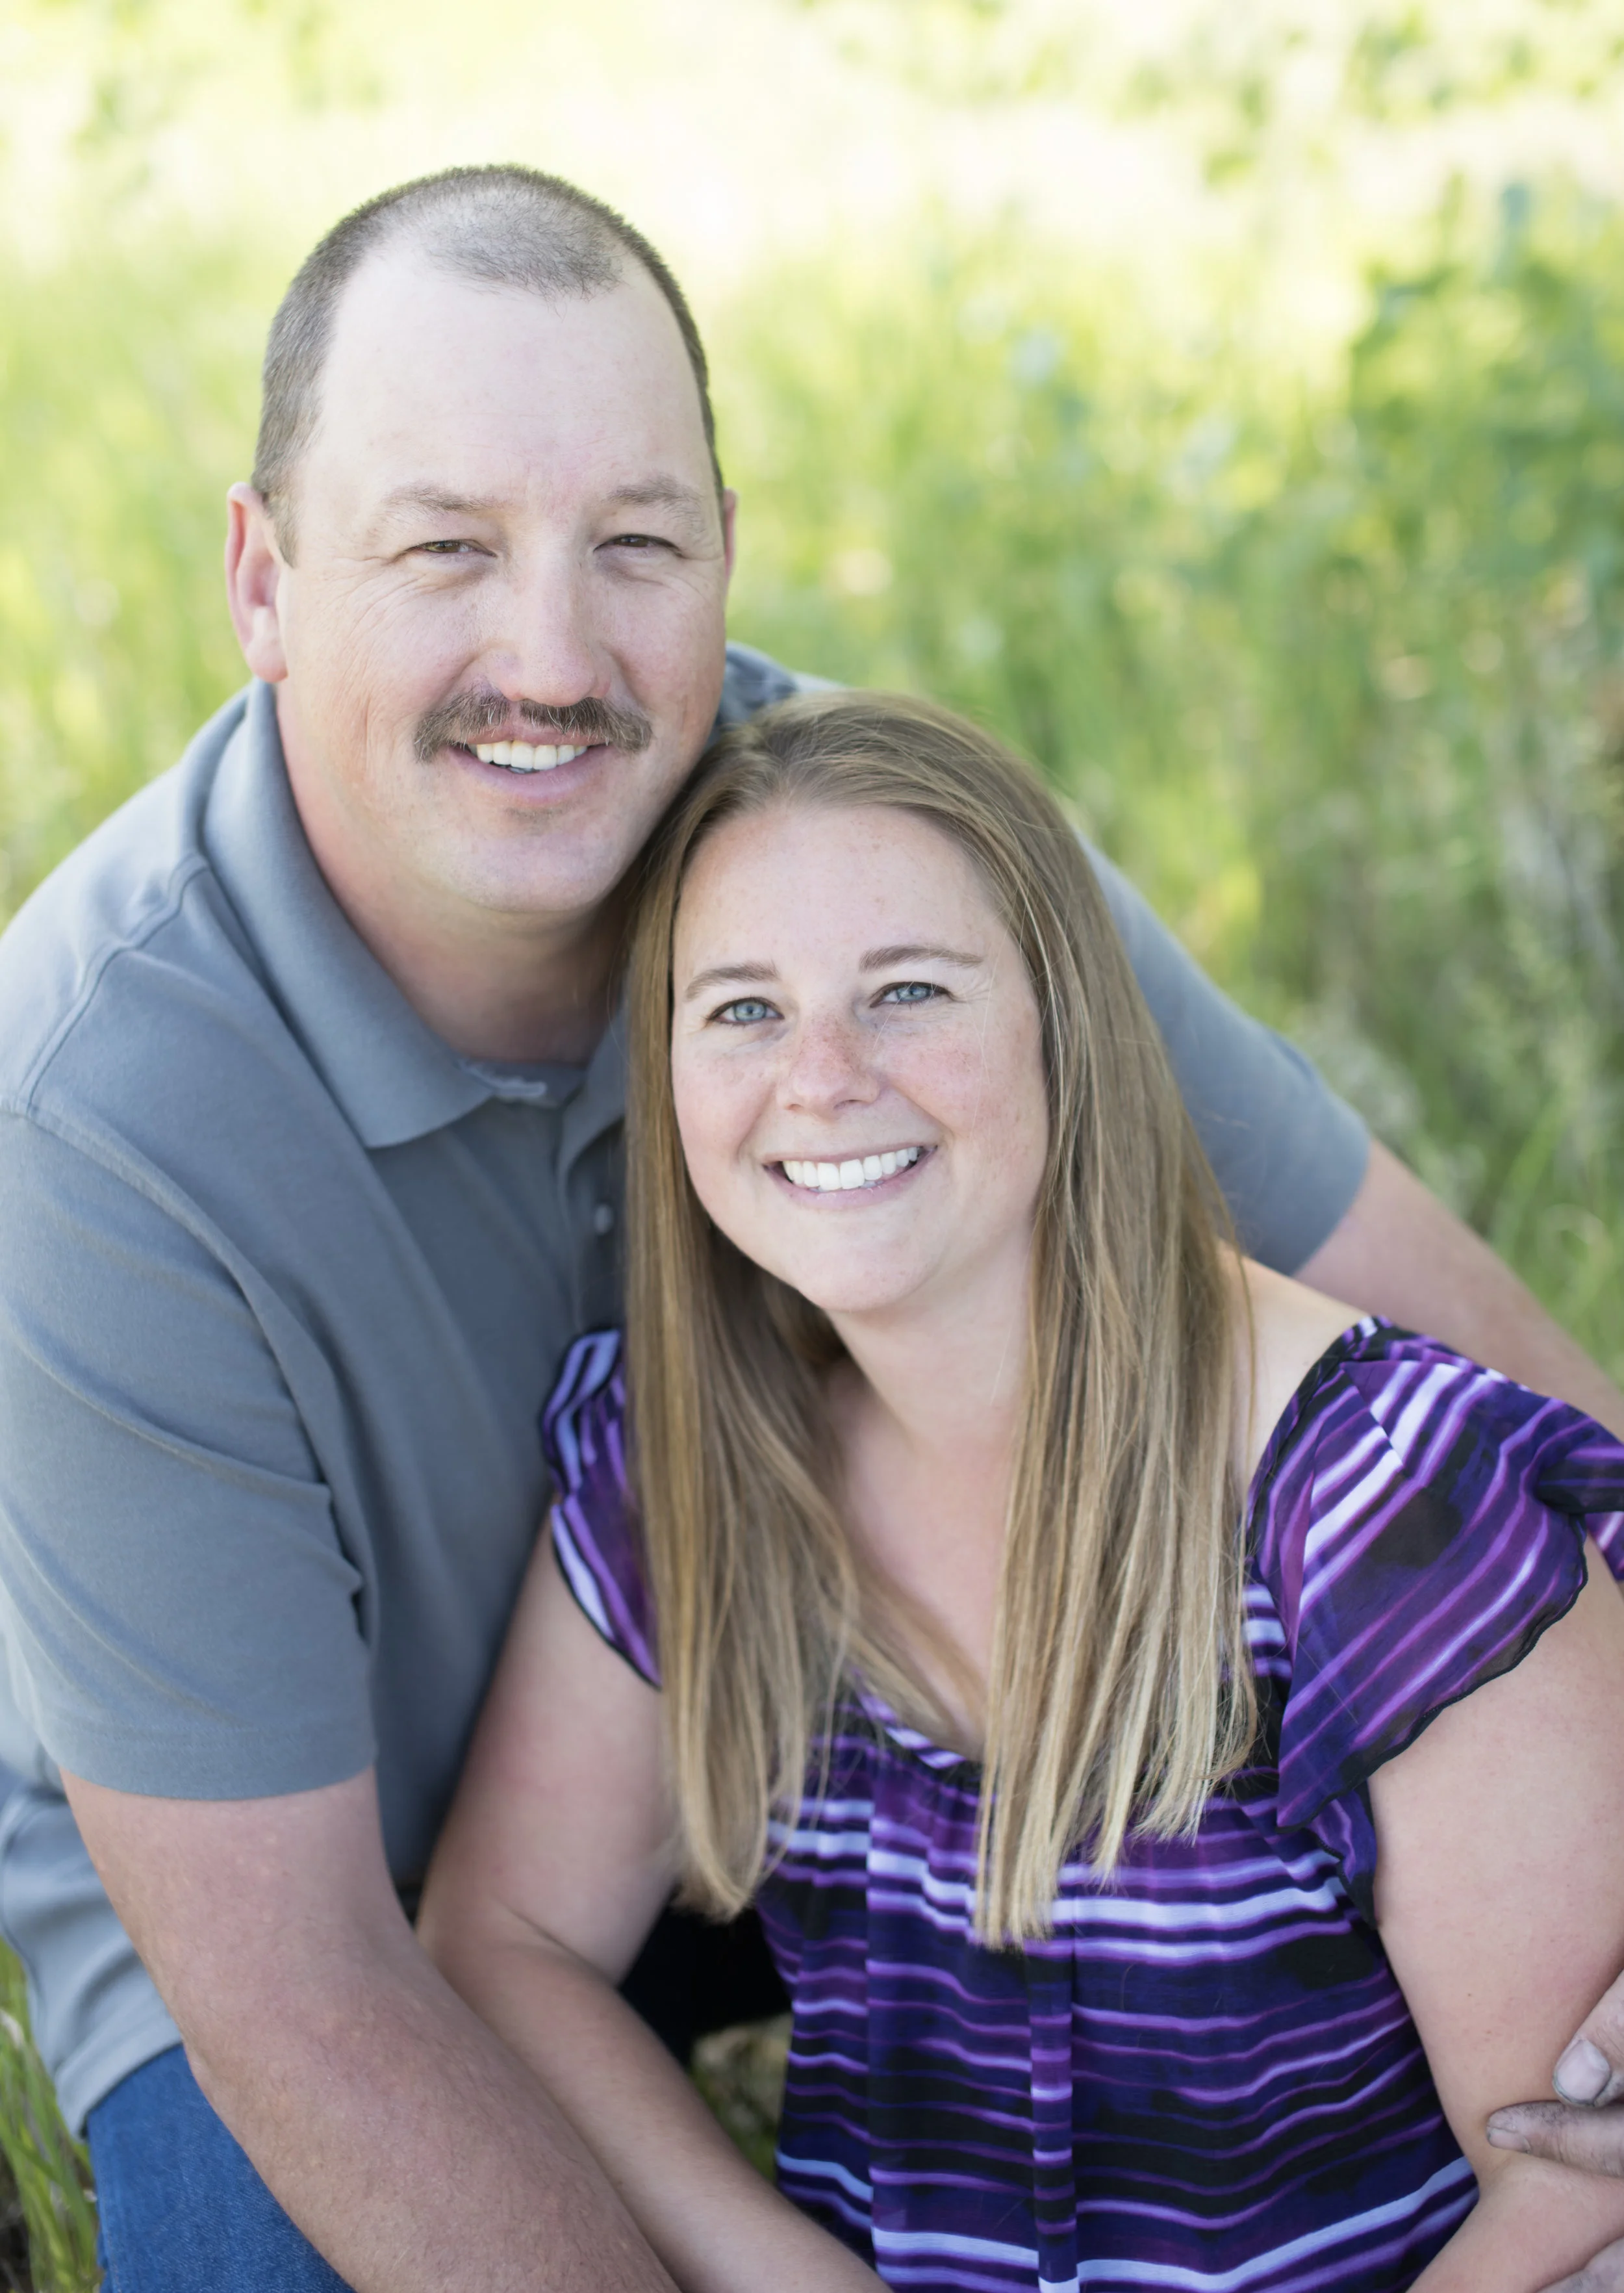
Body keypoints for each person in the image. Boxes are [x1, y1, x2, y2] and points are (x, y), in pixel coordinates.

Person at [0, 161, 1618, 2292]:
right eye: (444, 549)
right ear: (265, 576)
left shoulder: (876, 869)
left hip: (839, 1785)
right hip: (322, 1888)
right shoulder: (92, 1114)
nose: (553, 655)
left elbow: (1502, 1398)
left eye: (638, 544)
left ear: (727, 556)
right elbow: (315, 1983)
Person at [421, 689, 1624, 2292]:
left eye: (905, 991)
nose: (823, 1077)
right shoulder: (701, 1460)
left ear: (1063, 1018)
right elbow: (506, 1942)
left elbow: (1577, 2203)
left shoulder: (1373, 1513)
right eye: (741, 1010)